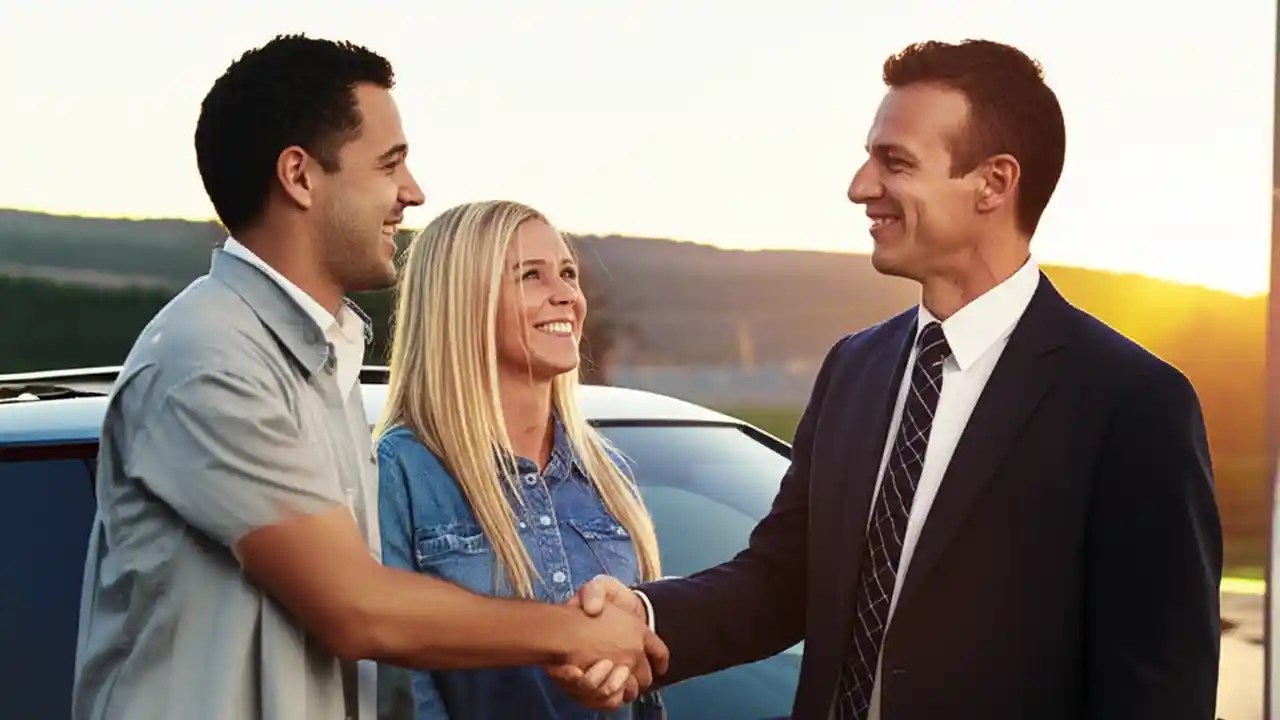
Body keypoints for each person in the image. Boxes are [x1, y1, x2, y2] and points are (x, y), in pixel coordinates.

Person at [554, 38, 1223, 720]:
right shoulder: (854, 368)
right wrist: (644, 615)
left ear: (994, 182)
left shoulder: (1132, 404)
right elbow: (783, 581)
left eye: (894, 162)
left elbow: (1159, 687)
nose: (860, 186)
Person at [71, 35, 664, 720]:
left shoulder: (314, 363)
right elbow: (357, 608)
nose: (412, 193)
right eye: (390, 165)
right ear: (299, 176)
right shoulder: (210, 360)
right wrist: (574, 632)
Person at [373, 200, 666, 719]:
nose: (567, 296)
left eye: (568, 273)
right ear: (462, 302)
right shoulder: (398, 472)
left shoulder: (608, 476)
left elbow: (643, 690)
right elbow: (400, 690)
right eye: (531, 276)